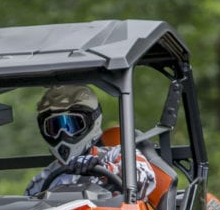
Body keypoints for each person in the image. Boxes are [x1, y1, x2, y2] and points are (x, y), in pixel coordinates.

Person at [25, 85, 156, 198]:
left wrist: (104, 169)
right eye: (54, 127)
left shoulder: (117, 154)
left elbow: (144, 178)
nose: (63, 134)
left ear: (93, 122)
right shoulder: (42, 180)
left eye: (72, 125)